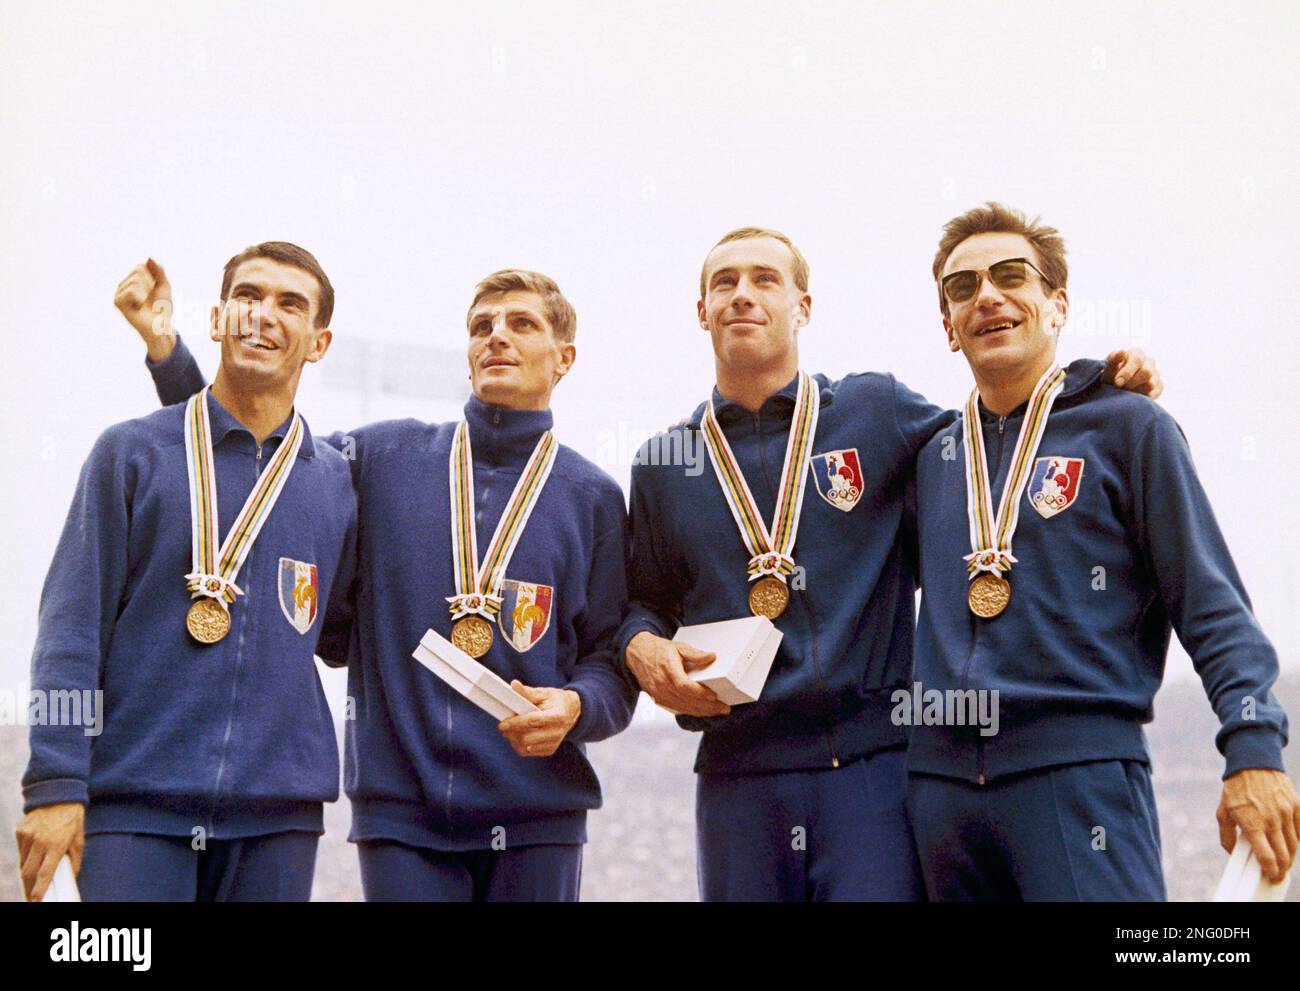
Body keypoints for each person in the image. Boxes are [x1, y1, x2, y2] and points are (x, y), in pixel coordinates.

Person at [618, 226, 1162, 900]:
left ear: (804, 307)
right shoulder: (665, 463)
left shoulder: (873, 411)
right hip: (736, 777)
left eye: (764, 279)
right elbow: (642, 600)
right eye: (723, 283)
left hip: (871, 773)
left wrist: (1092, 384)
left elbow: (998, 427)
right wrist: (639, 643)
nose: (742, 295)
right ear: (702, 311)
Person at [139, 267, 636, 901]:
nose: (497, 338)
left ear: (563, 358)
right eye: (482, 326)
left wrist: (577, 707)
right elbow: (256, 452)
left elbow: (610, 659)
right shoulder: (383, 458)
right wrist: (167, 356)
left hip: (540, 817)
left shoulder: (591, 496)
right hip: (401, 820)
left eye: (521, 325)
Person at [906, 202, 1298, 899]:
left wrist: (1255, 747)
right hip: (941, 800)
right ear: (947, 327)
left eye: (1009, 275)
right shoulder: (930, 455)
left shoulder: (1129, 426)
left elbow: (1209, 602)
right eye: (963, 287)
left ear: (1056, 305)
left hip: (1078, 781)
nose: (987, 295)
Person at [16, 243, 357, 902]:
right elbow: (69, 629)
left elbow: (345, 630)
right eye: (247, 297)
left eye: (290, 303)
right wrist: (54, 783)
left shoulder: (337, 480)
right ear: (218, 318)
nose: (262, 314)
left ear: (319, 341)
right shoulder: (132, 453)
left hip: (278, 823)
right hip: (132, 809)